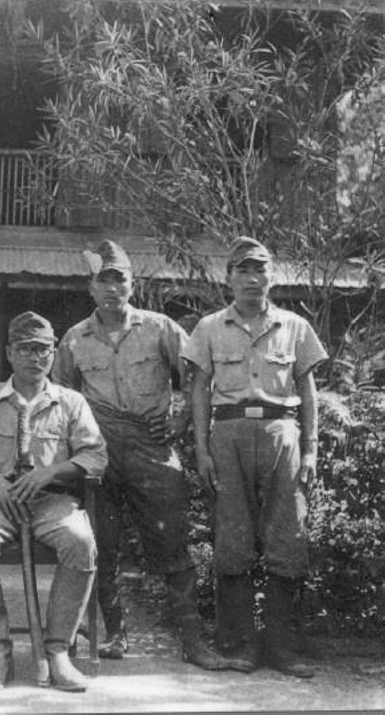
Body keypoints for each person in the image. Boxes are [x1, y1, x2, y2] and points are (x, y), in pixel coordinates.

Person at [52, 239, 234, 670]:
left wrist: (180, 422)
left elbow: (198, 378)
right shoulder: (75, 339)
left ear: (131, 284)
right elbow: (58, 398)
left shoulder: (160, 329)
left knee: (173, 543)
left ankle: (194, 642)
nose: (112, 289)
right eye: (103, 280)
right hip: (98, 450)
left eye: (120, 280)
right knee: (100, 543)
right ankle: (114, 634)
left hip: (152, 447)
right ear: (91, 287)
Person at [182, 236, 328, 677]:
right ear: (228, 277)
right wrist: (202, 449)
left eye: (259, 269)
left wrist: (310, 450)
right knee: (231, 539)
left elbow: (308, 392)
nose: (251, 278)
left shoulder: (295, 326)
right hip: (227, 435)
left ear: (272, 276)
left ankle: (281, 649)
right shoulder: (209, 327)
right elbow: (199, 393)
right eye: (242, 270)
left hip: (281, 432)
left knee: (287, 537)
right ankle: (240, 645)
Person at [0, 311, 107, 693]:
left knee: (80, 541)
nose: (34, 357)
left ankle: (57, 650)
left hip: (51, 502)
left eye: (42, 349)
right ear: (9, 353)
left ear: (53, 354)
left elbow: (95, 455)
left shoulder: (70, 402)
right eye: (25, 349)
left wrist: (52, 473)